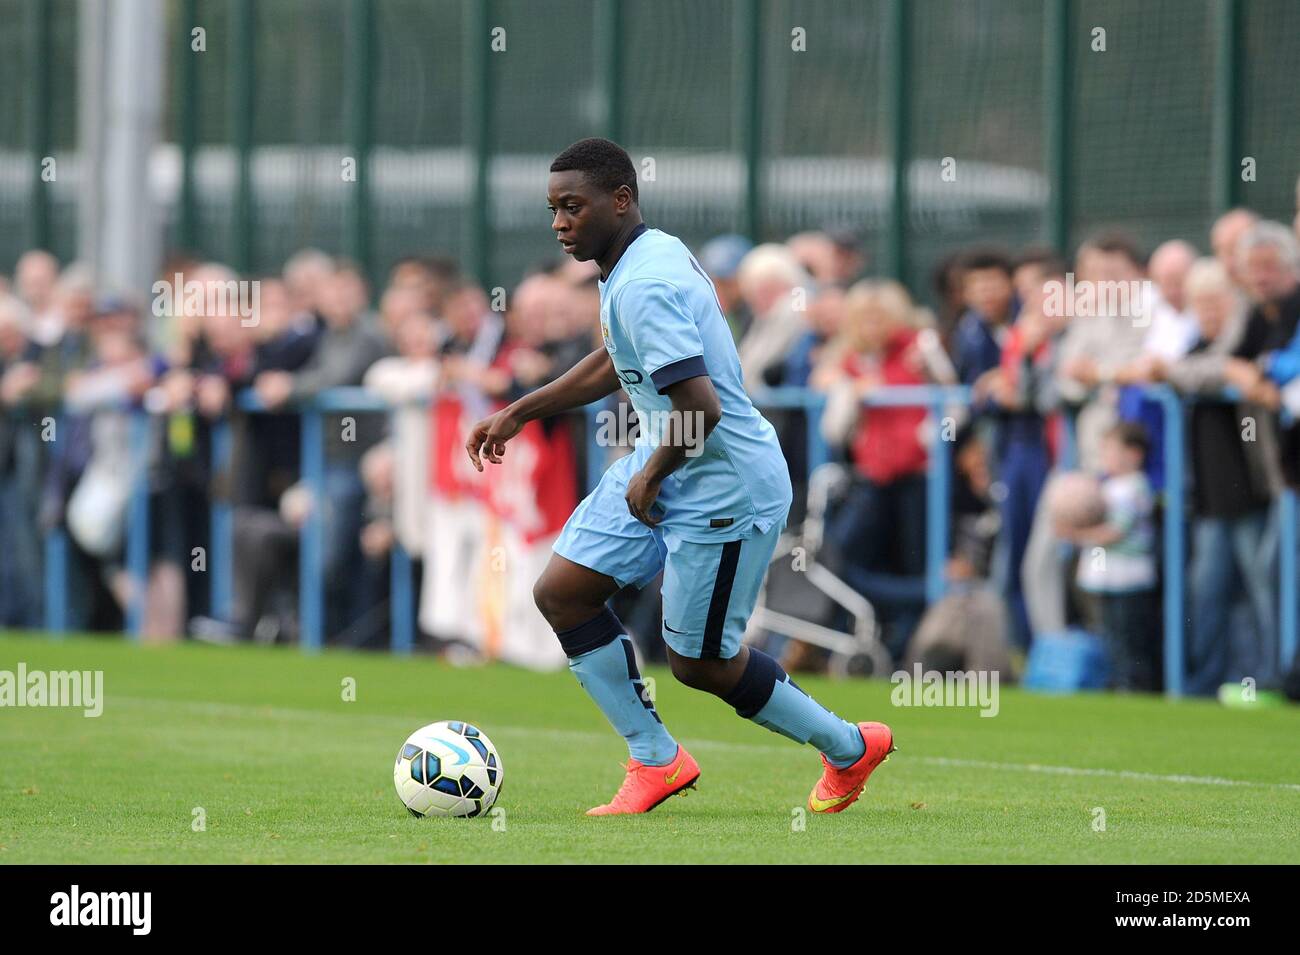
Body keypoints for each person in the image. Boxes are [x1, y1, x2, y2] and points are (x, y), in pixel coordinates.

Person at [465, 138, 894, 816]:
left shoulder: (645, 282)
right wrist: (521, 409)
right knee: (565, 592)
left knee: (698, 663)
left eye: (572, 207)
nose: (559, 223)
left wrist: (652, 474)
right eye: (553, 210)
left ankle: (847, 745)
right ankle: (656, 758)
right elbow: (617, 361)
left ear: (622, 200)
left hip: (723, 480)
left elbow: (702, 406)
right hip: (665, 458)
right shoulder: (635, 258)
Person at [1057, 422, 1159, 692]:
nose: (1106, 458)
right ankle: (1116, 679)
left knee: (1129, 634)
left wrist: (1077, 534)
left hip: (1129, 575)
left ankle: (1135, 683)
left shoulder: (1135, 487)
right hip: (1107, 575)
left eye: (1112, 451)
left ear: (1134, 454)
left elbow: (1117, 531)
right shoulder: (1107, 485)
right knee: (1110, 632)